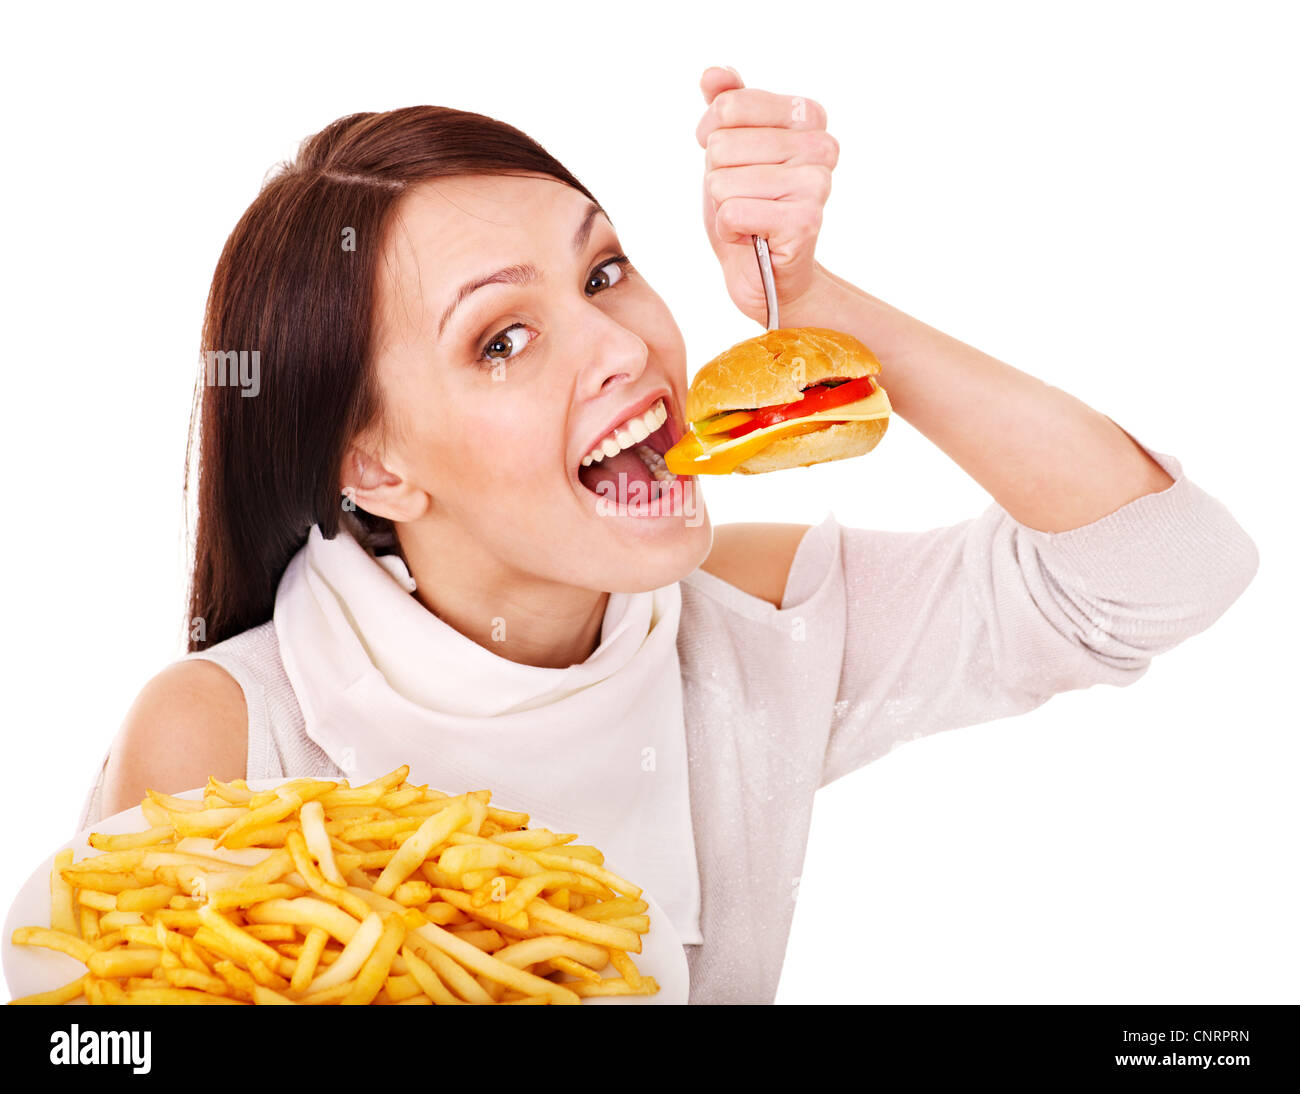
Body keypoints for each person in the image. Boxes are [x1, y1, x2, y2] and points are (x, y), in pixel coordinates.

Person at [81, 67, 1259, 1004]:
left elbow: (1163, 567)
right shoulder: (226, 732)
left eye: (603, 271)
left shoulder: (752, 622)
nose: (619, 346)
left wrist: (814, 308)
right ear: (373, 466)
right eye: (501, 338)